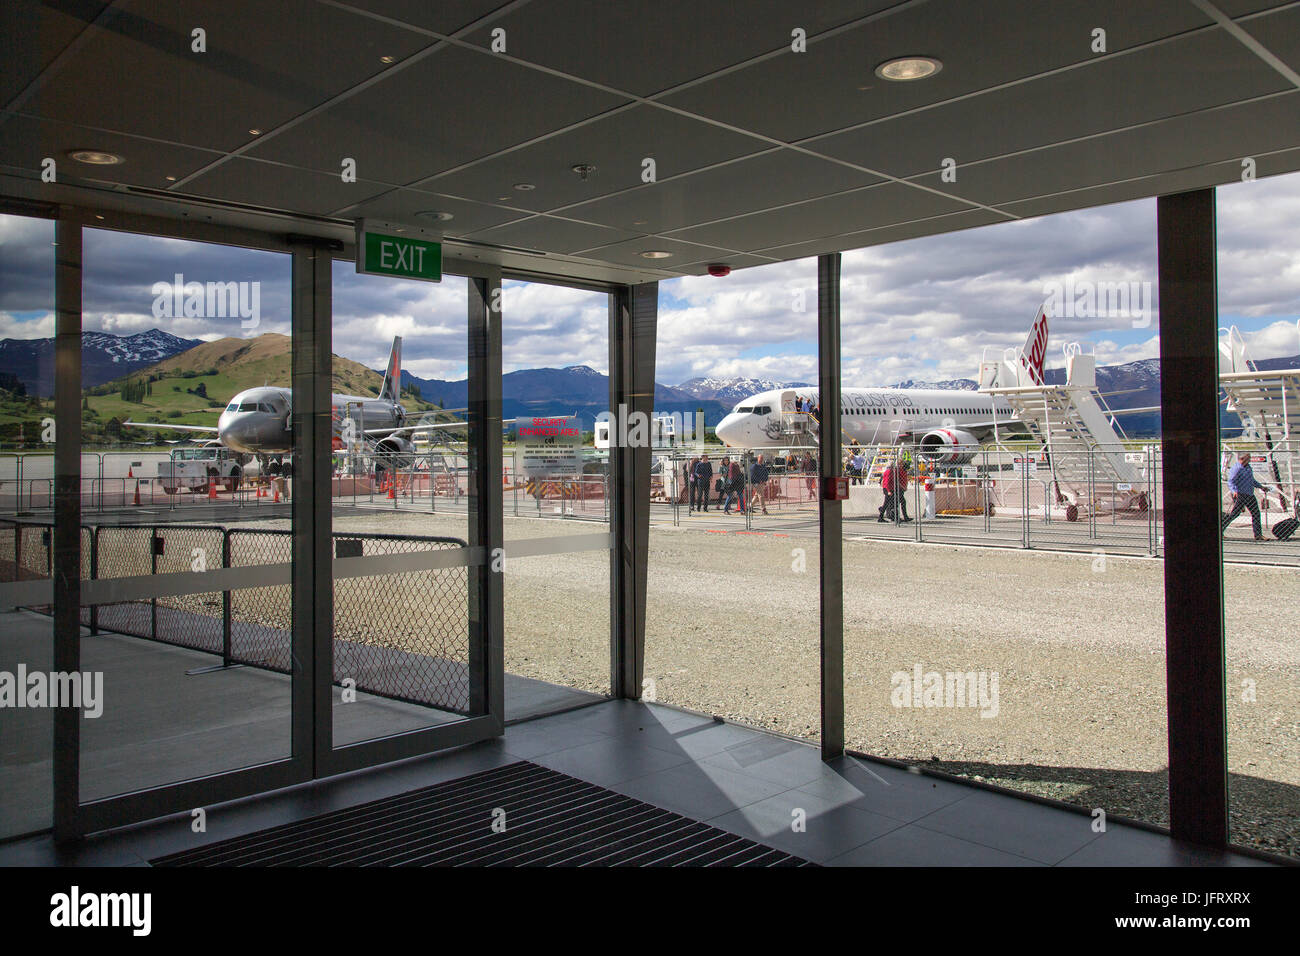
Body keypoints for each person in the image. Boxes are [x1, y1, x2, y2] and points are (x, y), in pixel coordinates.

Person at [1221, 451, 1275, 541]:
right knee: (1234, 514)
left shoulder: (1248, 467)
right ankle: (1220, 529)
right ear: (1242, 459)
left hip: (1249, 494)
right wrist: (1234, 491)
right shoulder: (1237, 468)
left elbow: (1252, 480)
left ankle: (1258, 535)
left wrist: (1261, 487)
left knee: (1256, 513)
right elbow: (1231, 481)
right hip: (1240, 494)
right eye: (1248, 458)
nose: (1249, 460)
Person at [878, 457, 895, 521]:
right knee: (886, 503)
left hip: (888, 488)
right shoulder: (888, 472)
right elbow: (887, 482)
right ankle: (881, 514)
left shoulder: (890, 471)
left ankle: (883, 512)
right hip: (887, 489)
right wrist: (888, 491)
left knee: (888, 503)